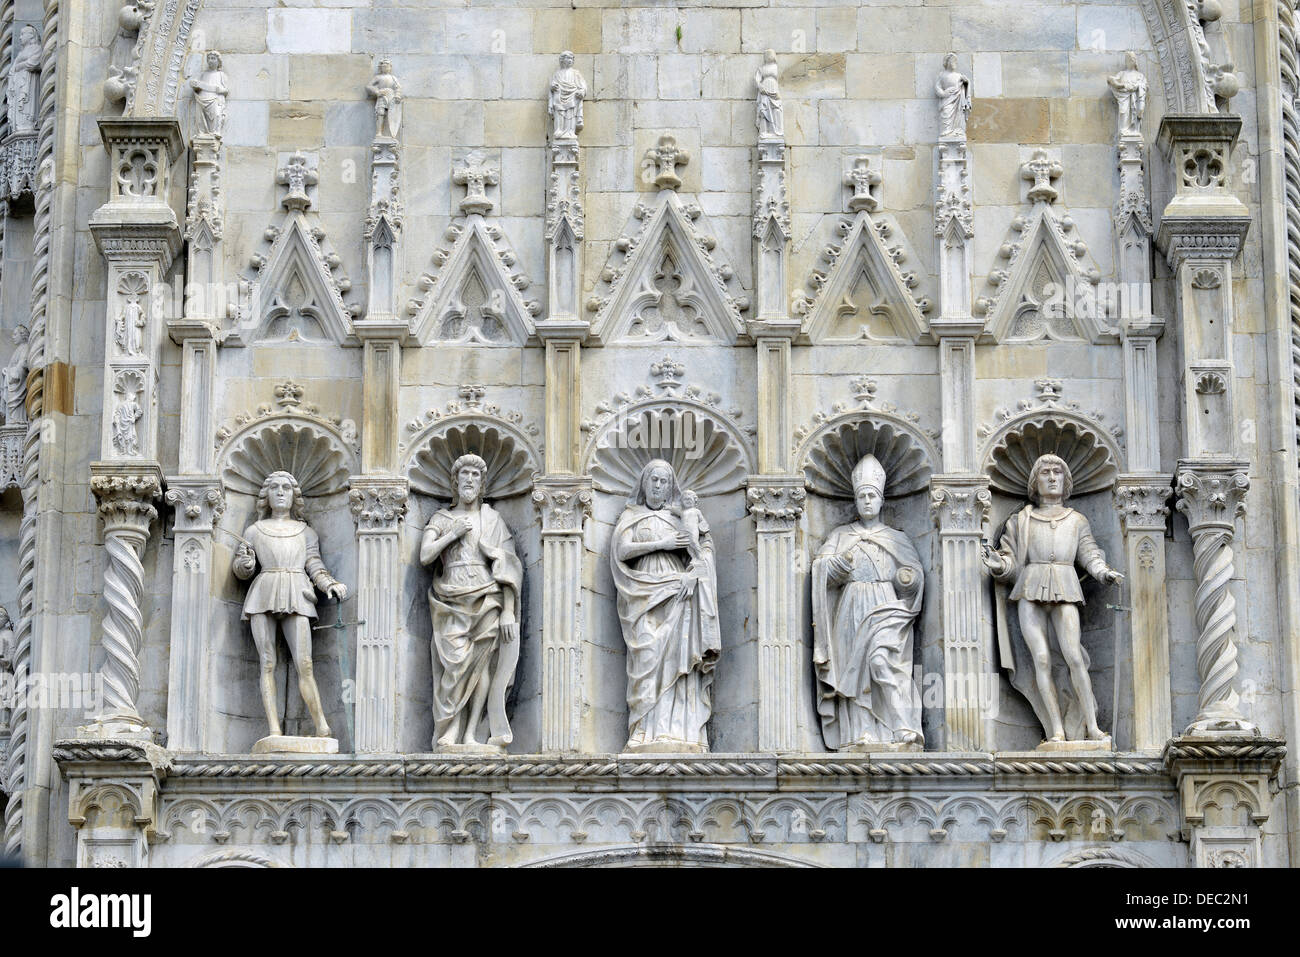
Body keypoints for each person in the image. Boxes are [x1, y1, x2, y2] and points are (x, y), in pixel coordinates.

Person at [982, 454, 1124, 743]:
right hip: (1030, 588)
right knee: (1042, 660)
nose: (1052, 477)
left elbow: (1089, 554)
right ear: (1035, 481)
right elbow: (1010, 561)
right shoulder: (1020, 521)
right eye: (1045, 472)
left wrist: (1103, 572)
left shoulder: (1076, 520)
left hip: (1065, 584)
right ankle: (1055, 729)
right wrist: (999, 565)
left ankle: (1092, 726)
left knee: (1074, 657)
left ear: (1066, 480)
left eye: (1057, 472)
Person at [811, 455, 924, 750]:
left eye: (872, 495)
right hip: (851, 605)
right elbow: (820, 569)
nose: (867, 501)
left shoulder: (895, 538)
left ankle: (902, 726)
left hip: (886, 605)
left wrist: (908, 578)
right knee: (854, 667)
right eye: (862, 496)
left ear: (882, 499)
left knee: (882, 661)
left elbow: (914, 576)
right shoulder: (841, 535)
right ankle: (861, 731)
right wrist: (838, 563)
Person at [611, 459, 722, 753]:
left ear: (671, 487)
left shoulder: (681, 518)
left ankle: (684, 732)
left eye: (663, 481)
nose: (658, 486)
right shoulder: (631, 517)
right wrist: (662, 544)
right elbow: (622, 551)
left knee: (680, 659)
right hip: (642, 595)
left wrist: (693, 577)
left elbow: (703, 554)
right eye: (653, 480)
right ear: (643, 483)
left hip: (679, 594)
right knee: (646, 653)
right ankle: (643, 729)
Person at [233, 470, 347, 740]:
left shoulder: (305, 532)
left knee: (304, 663)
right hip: (265, 588)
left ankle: (322, 726)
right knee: (267, 662)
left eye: (286, 487)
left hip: (296, 589)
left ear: (294, 496)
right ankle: (274, 729)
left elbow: (314, 564)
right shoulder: (254, 530)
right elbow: (242, 567)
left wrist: (329, 583)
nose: (281, 492)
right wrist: (245, 566)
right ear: (267, 495)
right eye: (275, 487)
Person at [420, 453, 523, 750]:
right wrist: (451, 534)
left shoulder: (492, 519)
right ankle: (450, 729)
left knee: (482, 668)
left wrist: (508, 611)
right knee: (454, 664)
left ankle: (471, 734)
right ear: (455, 482)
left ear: (483, 483)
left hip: (487, 595)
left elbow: (508, 566)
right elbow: (426, 556)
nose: (469, 479)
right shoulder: (441, 519)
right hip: (449, 597)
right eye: (464, 474)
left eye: (475, 475)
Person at [7, 25, 41, 135]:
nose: (20, 37)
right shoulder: (21, 53)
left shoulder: (37, 48)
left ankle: (27, 126)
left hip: (29, 83)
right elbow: (13, 69)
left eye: (23, 34)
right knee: (19, 108)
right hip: (18, 84)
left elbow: (34, 63)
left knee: (26, 107)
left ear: (31, 36)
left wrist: (20, 66)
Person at [190, 50, 228, 138]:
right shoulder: (203, 74)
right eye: (209, 58)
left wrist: (219, 90)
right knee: (200, 117)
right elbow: (196, 85)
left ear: (218, 61)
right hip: (203, 98)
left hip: (214, 98)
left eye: (213, 58)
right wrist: (195, 85)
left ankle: (215, 131)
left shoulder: (221, 75)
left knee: (217, 114)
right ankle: (202, 132)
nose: (211, 60)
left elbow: (226, 90)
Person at [547, 51, 586, 139]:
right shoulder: (557, 74)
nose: (570, 60)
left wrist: (582, 91)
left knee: (570, 114)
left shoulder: (576, 73)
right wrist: (552, 87)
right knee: (559, 112)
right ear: (562, 60)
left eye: (571, 58)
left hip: (572, 97)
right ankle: (559, 130)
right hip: (559, 97)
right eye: (568, 58)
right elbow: (552, 86)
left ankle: (569, 131)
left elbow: (583, 85)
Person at [1107, 51, 1147, 136]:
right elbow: (1113, 80)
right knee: (1123, 111)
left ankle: (1135, 130)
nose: (1129, 61)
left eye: (1131, 59)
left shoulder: (1139, 75)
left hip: (1135, 97)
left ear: (1134, 61)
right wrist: (1114, 81)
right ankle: (1124, 130)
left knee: (1136, 111)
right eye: (1127, 60)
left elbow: (1145, 85)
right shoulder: (1122, 73)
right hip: (1124, 97)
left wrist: (1137, 86)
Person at [935, 52, 971, 140]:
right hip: (947, 100)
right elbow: (937, 87)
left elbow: (965, 85)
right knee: (946, 114)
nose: (955, 64)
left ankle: (958, 131)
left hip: (958, 100)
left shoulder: (959, 76)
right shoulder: (942, 75)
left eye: (956, 62)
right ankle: (946, 131)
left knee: (959, 114)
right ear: (947, 62)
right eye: (953, 61)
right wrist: (943, 93)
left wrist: (966, 83)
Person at [366, 58, 402, 140]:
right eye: (384, 66)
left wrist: (397, 95)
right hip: (382, 95)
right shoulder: (378, 77)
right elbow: (368, 86)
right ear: (381, 68)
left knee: (392, 113)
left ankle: (391, 133)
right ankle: (379, 132)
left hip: (391, 97)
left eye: (387, 66)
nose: (385, 68)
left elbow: (398, 87)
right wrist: (377, 92)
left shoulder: (393, 78)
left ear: (390, 67)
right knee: (380, 112)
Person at [754, 49, 783, 139]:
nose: (768, 56)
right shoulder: (762, 68)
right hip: (764, 91)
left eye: (770, 55)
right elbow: (756, 79)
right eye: (767, 55)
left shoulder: (777, 67)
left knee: (777, 109)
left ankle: (777, 131)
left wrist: (777, 92)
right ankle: (764, 131)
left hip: (774, 90)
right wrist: (760, 86)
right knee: (764, 110)